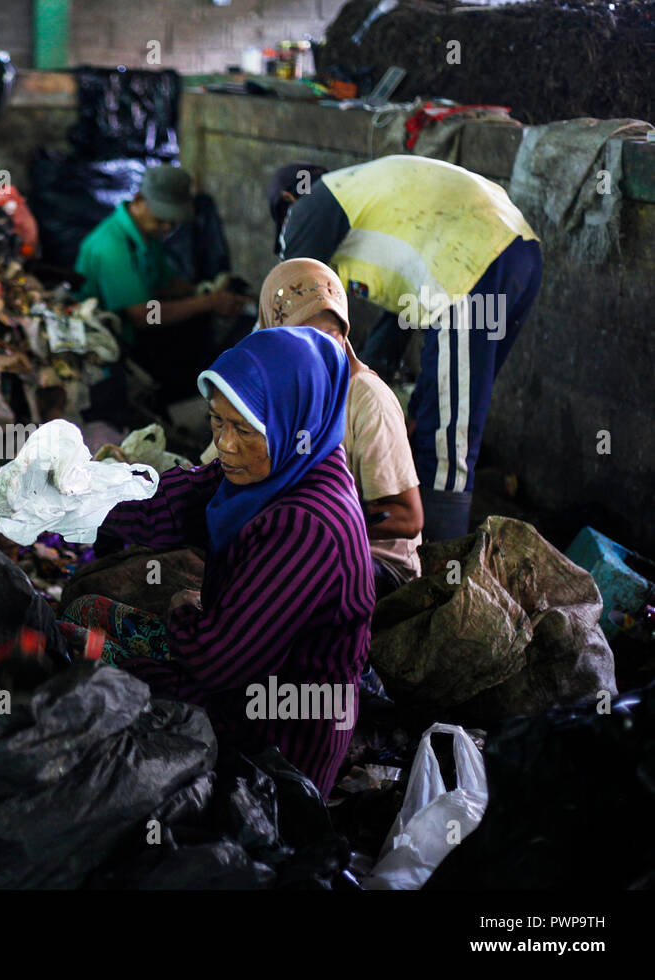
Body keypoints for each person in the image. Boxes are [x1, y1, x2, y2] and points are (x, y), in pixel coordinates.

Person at [60, 327, 374, 796]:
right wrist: (79, 496)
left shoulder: (307, 525)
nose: (224, 444)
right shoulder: (281, 465)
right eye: (217, 422)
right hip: (232, 677)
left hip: (269, 742)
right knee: (82, 616)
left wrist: (184, 606)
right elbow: (170, 502)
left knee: (74, 662)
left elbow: (215, 662)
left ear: (294, 421)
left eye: (244, 429)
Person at [268, 155, 543, 540]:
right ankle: (432, 537)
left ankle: (438, 555)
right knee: (445, 407)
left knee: (449, 428)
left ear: (287, 200)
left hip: (474, 259)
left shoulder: (309, 208)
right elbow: (397, 323)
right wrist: (394, 409)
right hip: (518, 250)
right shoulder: (371, 202)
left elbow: (275, 324)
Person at [254, 258, 422, 600]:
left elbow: (408, 517)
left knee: (292, 578)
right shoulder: (275, 390)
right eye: (303, 340)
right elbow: (220, 466)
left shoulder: (367, 399)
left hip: (375, 563)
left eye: (332, 336)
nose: (321, 352)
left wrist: (317, 525)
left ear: (345, 331)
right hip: (297, 545)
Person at [76, 165, 244, 403]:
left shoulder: (145, 235)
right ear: (138, 200)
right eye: (161, 219)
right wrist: (207, 302)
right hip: (112, 343)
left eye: (172, 223)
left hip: (140, 331)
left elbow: (163, 283)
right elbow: (143, 315)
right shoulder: (111, 247)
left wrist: (201, 289)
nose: (167, 228)